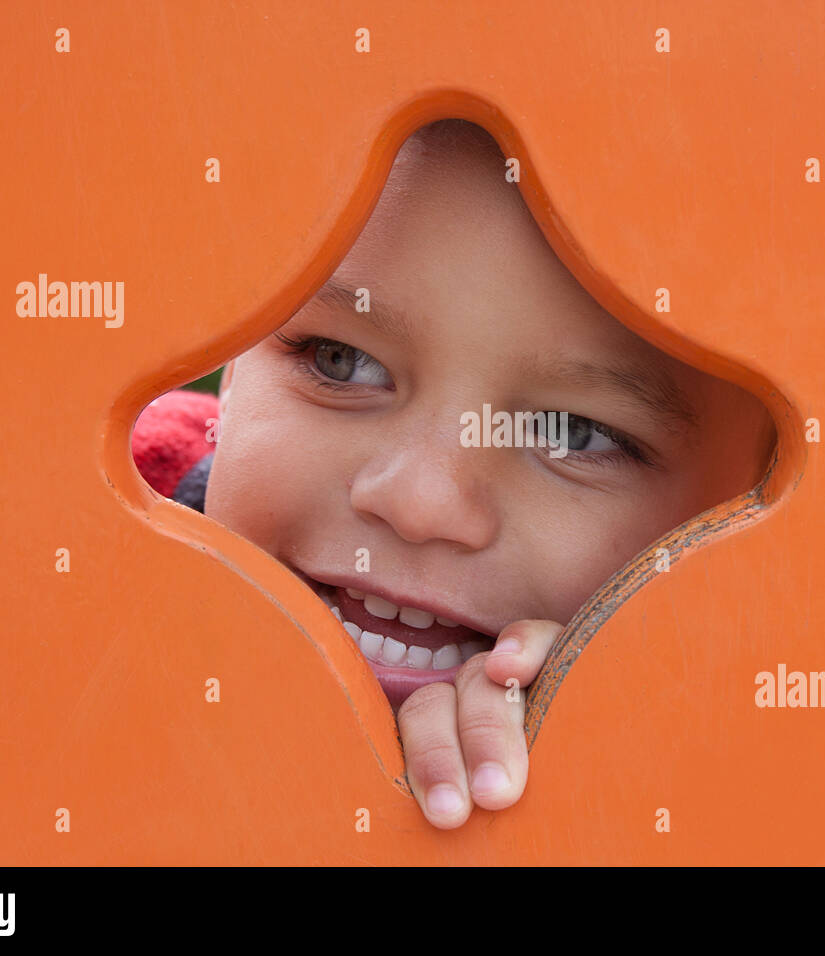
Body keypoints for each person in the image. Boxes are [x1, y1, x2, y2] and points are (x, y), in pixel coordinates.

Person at [135, 119, 776, 829]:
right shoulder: (64, 544)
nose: (419, 503)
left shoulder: (762, 766)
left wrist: (610, 759)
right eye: (338, 360)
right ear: (232, 368)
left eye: (572, 432)